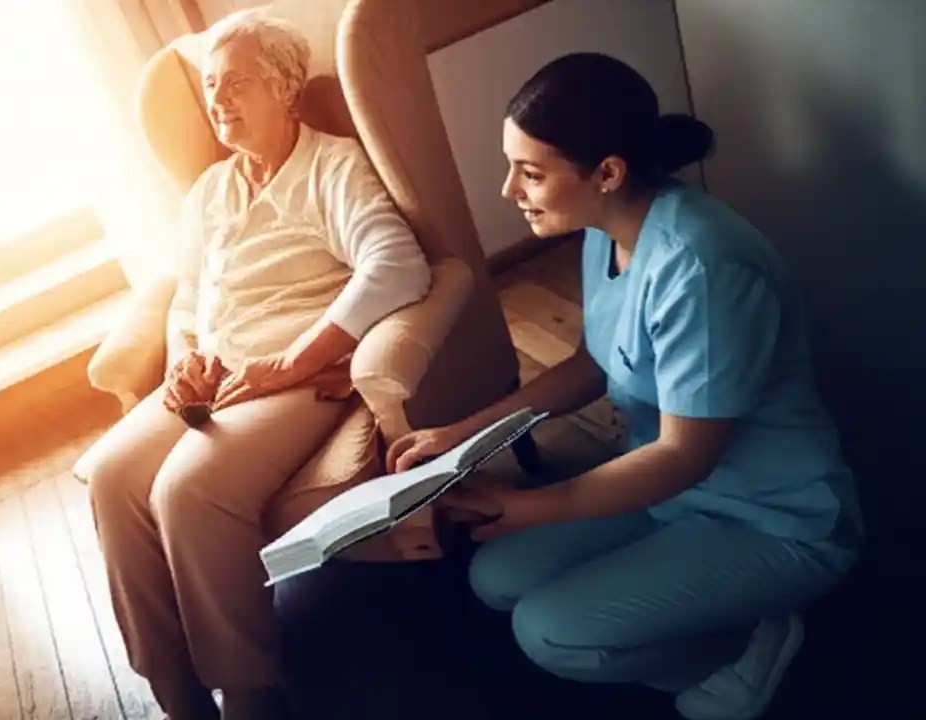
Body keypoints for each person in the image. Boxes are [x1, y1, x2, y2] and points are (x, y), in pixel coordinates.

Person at [387, 53, 862, 720]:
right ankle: (700, 608)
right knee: (495, 580)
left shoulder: (700, 267)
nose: (507, 191)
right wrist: (459, 433)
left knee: (550, 632)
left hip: (771, 515)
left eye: (529, 172)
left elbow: (683, 455)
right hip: (671, 490)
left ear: (606, 173)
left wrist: (531, 507)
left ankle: (747, 640)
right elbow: (592, 365)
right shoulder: (608, 228)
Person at [75, 10, 431, 720]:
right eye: (211, 86)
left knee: (188, 489)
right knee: (114, 476)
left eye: (235, 83)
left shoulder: (332, 165)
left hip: (296, 374)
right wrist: (184, 366)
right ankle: (170, 684)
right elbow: (187, 300)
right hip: (220, 376)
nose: (218, 101)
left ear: (286, 88)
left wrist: (293, 362)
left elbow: (397, 266)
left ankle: (249, 691)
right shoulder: (210, 191)